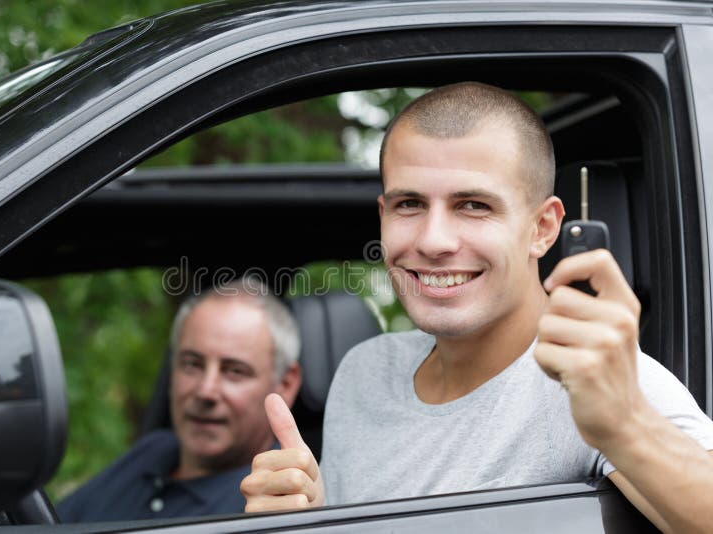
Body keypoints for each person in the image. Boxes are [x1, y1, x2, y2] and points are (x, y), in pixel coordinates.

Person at [240, 82, 713, 533]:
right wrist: (310, 520)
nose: (434, 241)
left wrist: (625, 424)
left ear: (543, 228)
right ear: (382, 215)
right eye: (410, 204)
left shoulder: (602, 377)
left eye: (473, 205)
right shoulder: (365, 371)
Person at [58, 276, 302, 522]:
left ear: (286, 384)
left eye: (234, 371)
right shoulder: (152, 450)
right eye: (192, 364)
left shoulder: (273, 503)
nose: (206, 391)